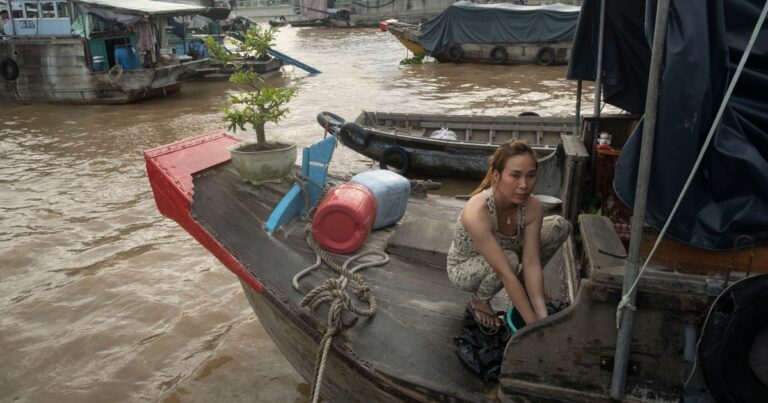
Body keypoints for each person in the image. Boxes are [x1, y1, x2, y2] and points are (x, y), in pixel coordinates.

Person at [447, 139, 571, 331]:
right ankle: (480, 301)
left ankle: (526, 293)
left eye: (531, 176)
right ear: (496, 175)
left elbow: (531, 262)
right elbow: (506, 274)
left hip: (507, 253)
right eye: (515, 176)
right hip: (466, 267)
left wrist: (541, 315)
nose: (524, 185)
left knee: (558, 226)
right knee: (510, 260)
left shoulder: (533, 207)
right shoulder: (477, 211)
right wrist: (533, 329)